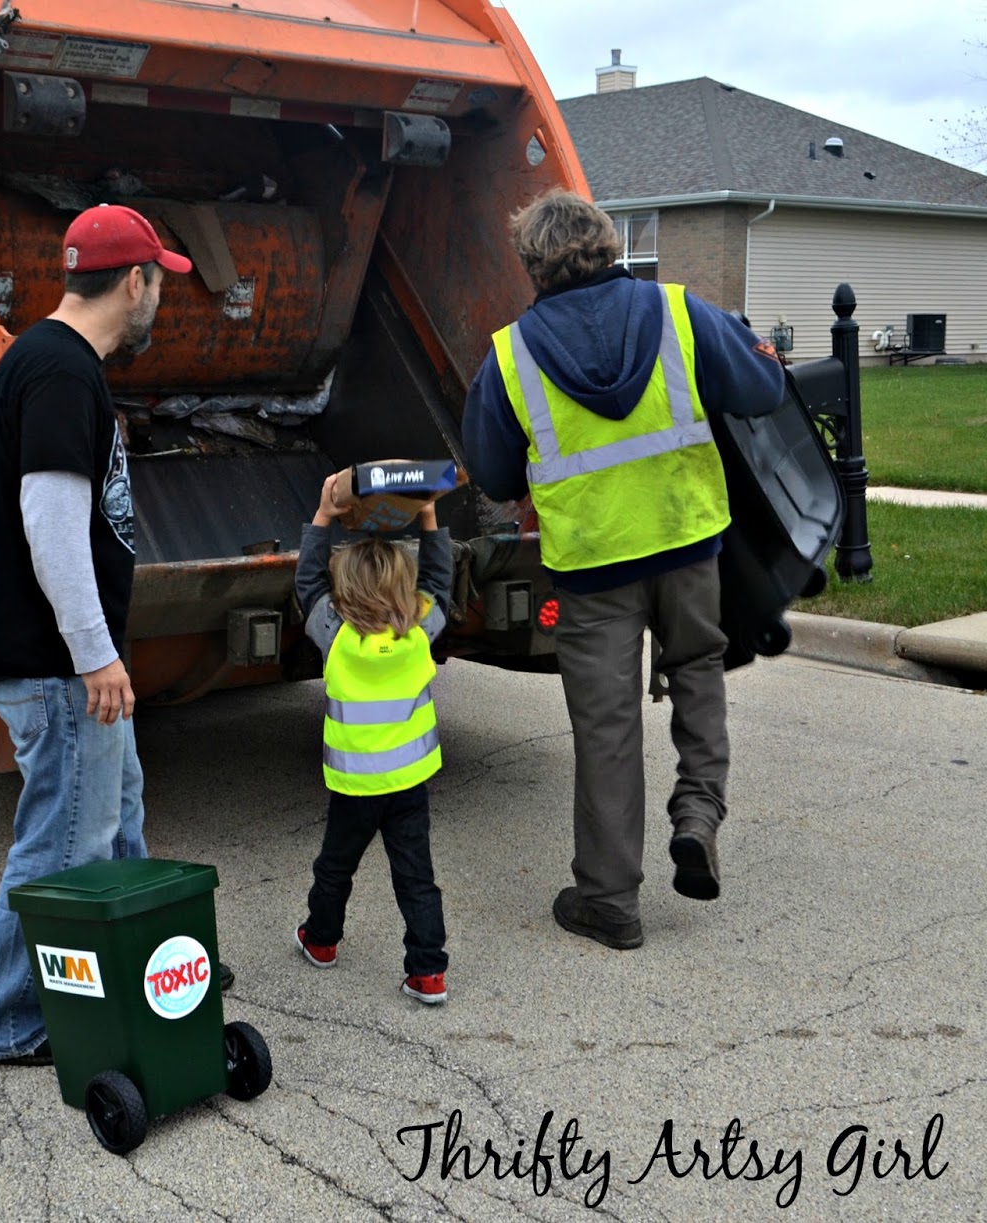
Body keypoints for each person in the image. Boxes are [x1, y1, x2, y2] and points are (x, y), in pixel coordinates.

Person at [463, 189, 786, 950]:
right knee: (699, 671)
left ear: (533, 263)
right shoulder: (680, 312)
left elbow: (493, 472)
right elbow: (762, 389)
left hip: (592, 565)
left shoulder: (511, 353)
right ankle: (698, 816)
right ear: (607, 245)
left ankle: (609, 900)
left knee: (605, 729)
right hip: (685, 543)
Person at [0, 204, 192, 1065]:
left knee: (117, 819)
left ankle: (132, 972)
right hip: (60, 665)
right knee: (65, 844)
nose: (158, 294)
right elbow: (51, 524)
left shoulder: (51, 361)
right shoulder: (60, 371)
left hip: (75, 661)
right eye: (158, 279)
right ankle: (4, 1025)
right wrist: (94, 654)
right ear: (134, 282)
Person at [292, 475, 454, 1004]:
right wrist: (427, 515)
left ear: (344, 594)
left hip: (355, 786)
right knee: (417, 879)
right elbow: (440, 582)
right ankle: (428, 973)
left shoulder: (336, 638)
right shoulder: (419, 633)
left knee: (335, 868)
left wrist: (323, 515)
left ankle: (320, 942)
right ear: (405, 589)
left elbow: (307, 582)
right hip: (409, 784)